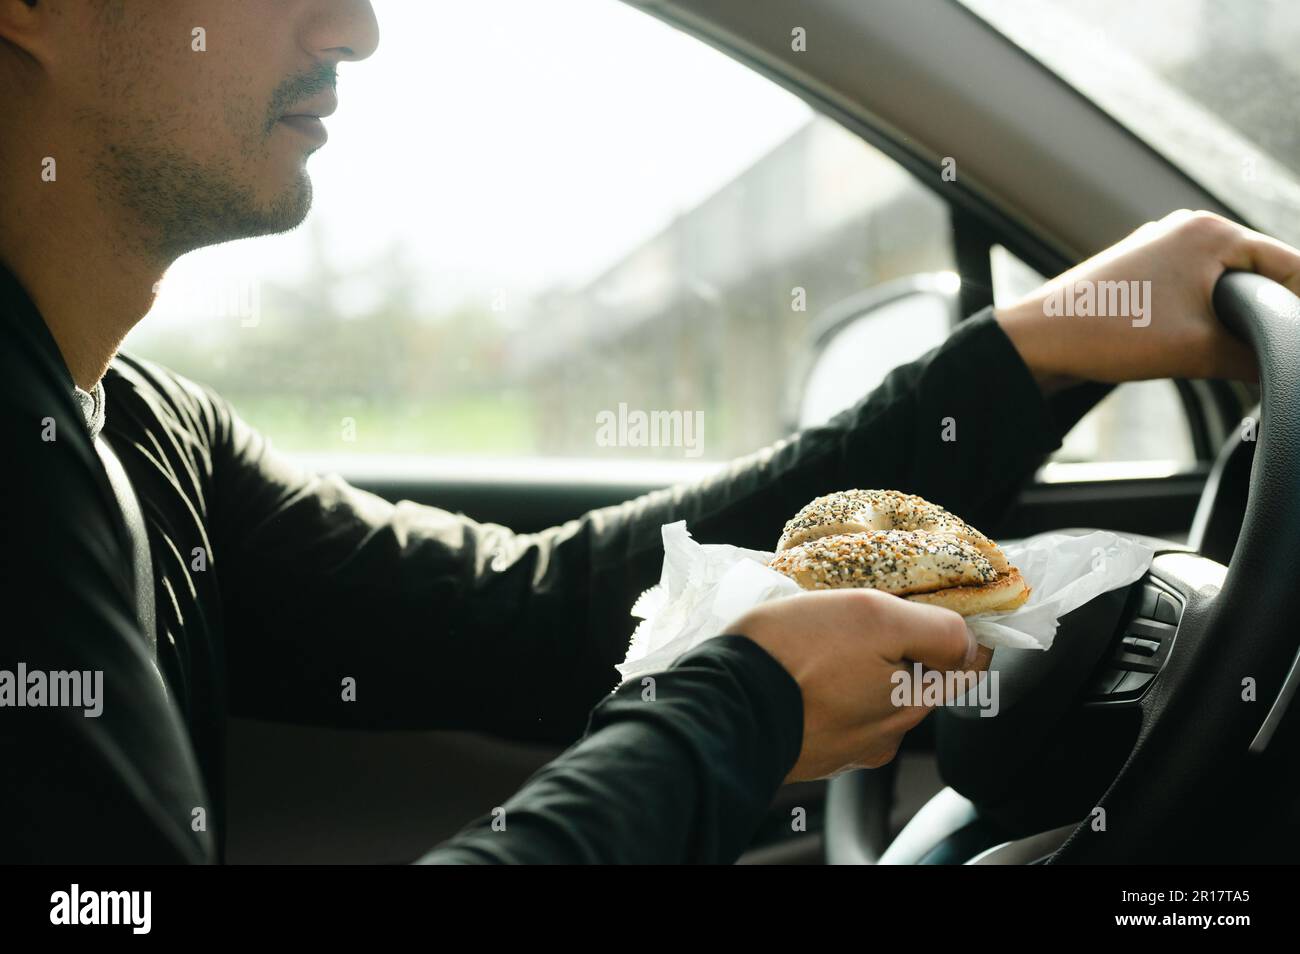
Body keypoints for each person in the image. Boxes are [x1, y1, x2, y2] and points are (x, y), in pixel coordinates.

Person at [1, 0, 1296, 865]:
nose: (359, 27)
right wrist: (734, 719)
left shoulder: (134, 422)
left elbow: (541, 612)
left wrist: (1037, 345)